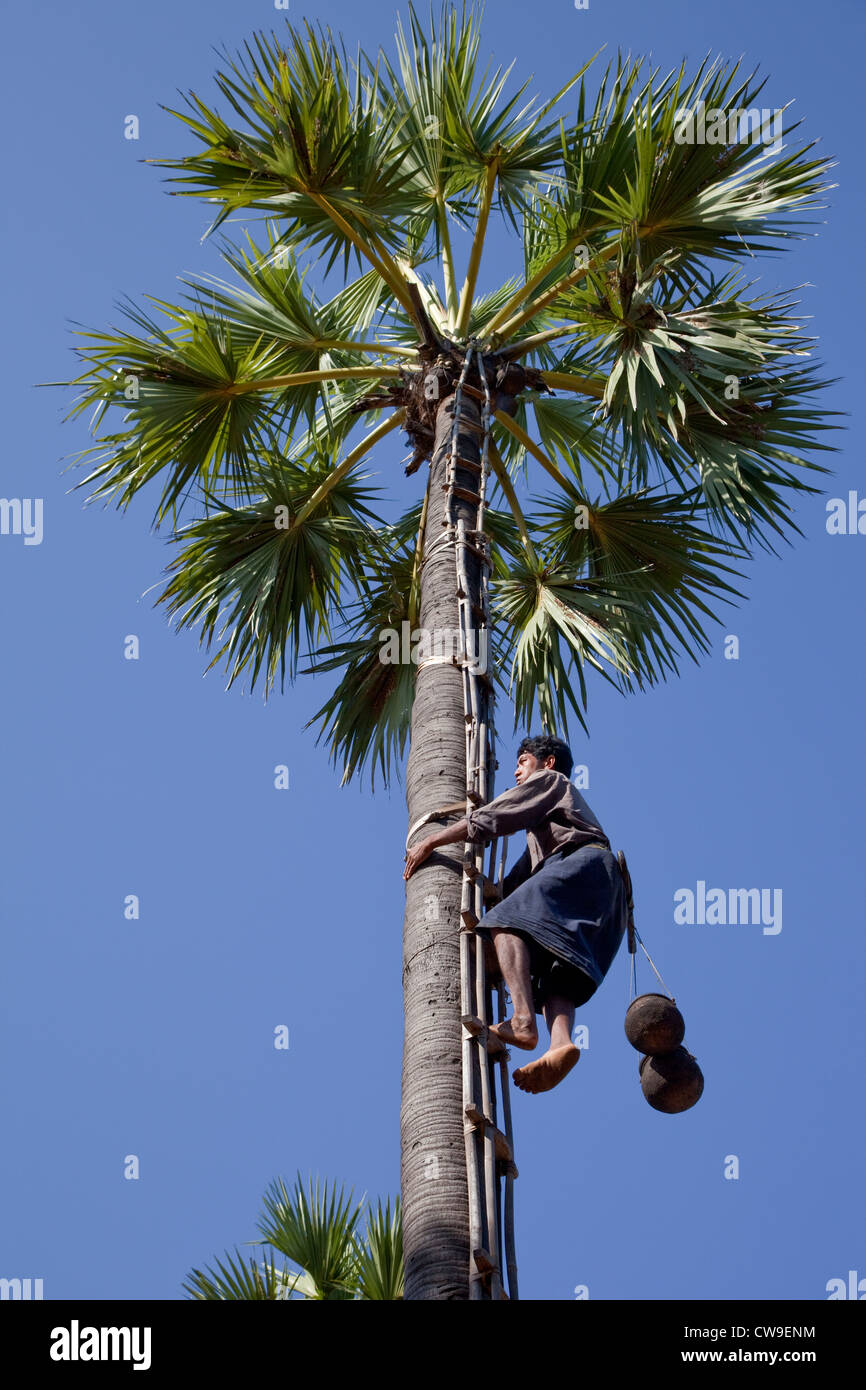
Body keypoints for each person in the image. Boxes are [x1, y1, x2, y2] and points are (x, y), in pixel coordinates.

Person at [403, 735, 627, 1094]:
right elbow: (523, 878)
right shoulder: (551, 829)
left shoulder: (551, 781)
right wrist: (490, 891)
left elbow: (496, 816)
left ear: (547, 762)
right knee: (558, 974)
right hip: (605, 894)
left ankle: (522, 1020)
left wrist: (433, 840)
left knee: (505, 922)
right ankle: (561, 1044)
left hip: (581, 863)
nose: (516, 770)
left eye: (523, 761)